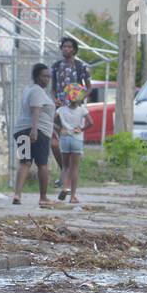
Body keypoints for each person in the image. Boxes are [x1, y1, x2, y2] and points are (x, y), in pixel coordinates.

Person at [50, 36, 91, 185]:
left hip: (74, 109)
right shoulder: (55, 66)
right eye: (64, 46)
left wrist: (81, 98)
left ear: (74, 49)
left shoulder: (81, 66)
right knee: (54, 142)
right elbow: (53, 88)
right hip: (60, 108)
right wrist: (54, 98)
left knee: (71, 141)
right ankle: (64, 170)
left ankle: (66, 178)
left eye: (69, 47)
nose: (66, 49)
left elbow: (89, 86)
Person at [13, 64, 55, 207]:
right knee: (42, 164)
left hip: (21, 130)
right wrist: (35, 130)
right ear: (36, 76)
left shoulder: (28, 89)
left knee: (24, 162)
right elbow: (36, 110)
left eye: (49, 76)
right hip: (38, 131)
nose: (47, 79)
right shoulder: (38, 91)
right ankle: (43, 197)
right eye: (44, 76)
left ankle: (17, 194)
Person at [54, 83, 92, 204]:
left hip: (64, 139)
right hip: (76, 139)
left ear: (67, 96)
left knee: (65, 167)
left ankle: (65, 188)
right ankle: (72, 196)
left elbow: (52, 121)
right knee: (74, 168)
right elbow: (91, 122)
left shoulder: (61, 110)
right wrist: (81, 129)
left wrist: (59, 129)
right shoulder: (82, 110)